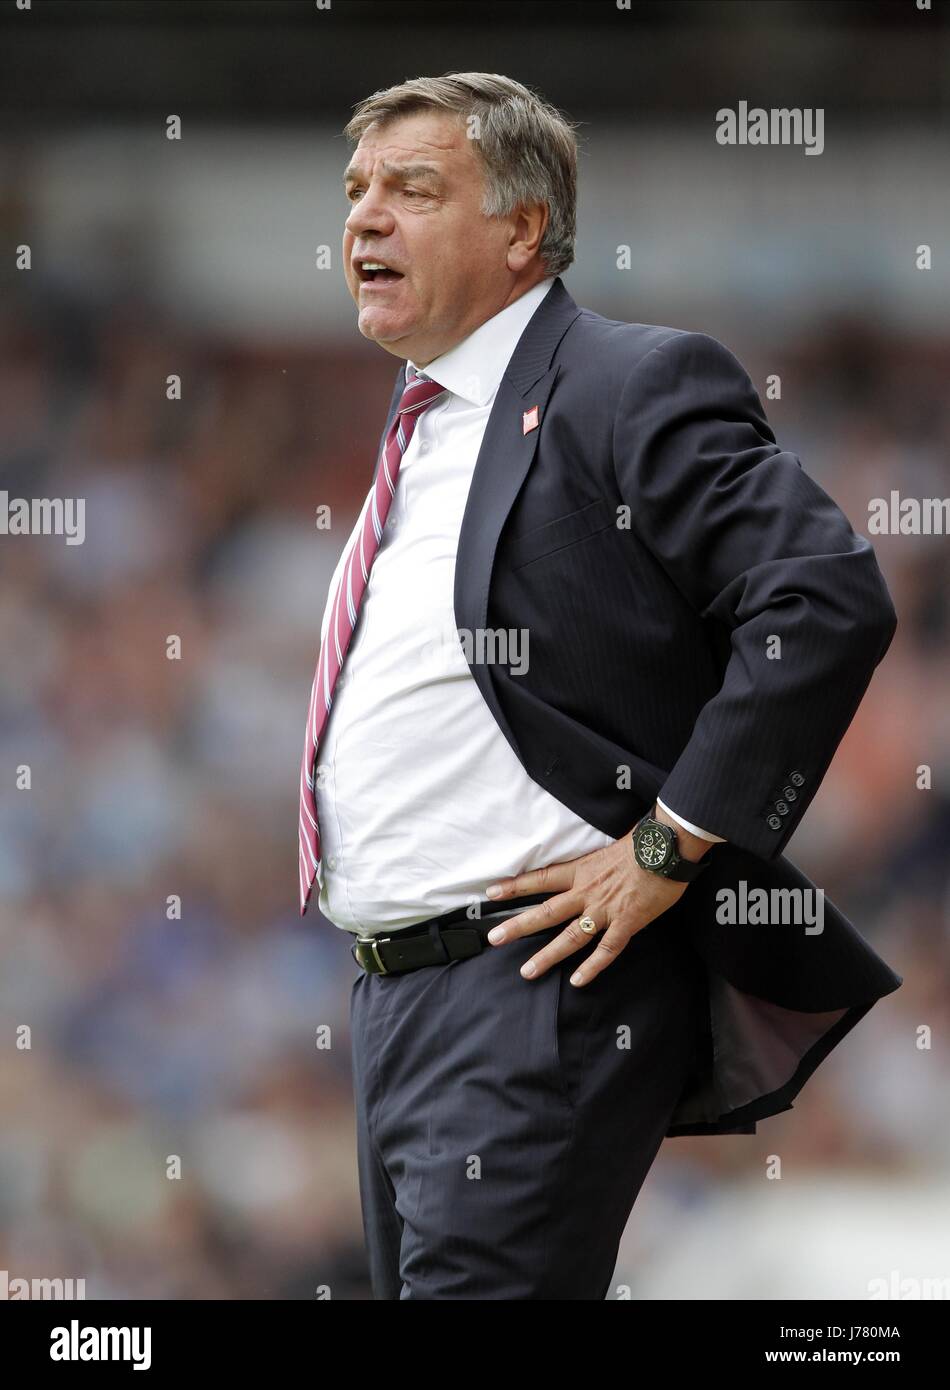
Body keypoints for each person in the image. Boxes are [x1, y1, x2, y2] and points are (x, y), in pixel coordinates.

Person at [296, 72, 901, 1300]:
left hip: (528, 988)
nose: (365, 217)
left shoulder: (626, 380)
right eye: (356, 190)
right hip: (398, 1002)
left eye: (414, 190)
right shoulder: (425, 428)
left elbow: (821, 595)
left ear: (522, 229)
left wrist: (669, 843)